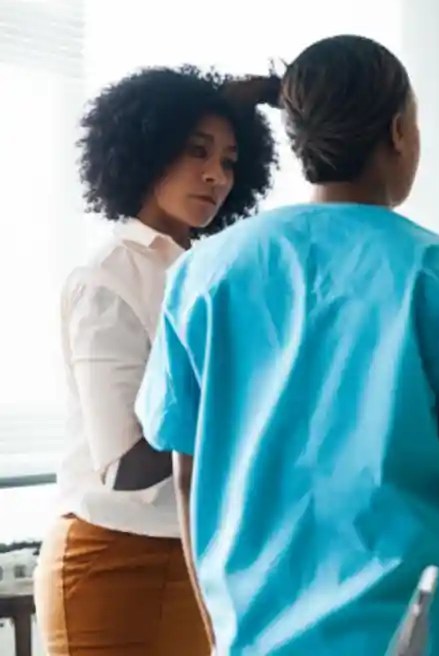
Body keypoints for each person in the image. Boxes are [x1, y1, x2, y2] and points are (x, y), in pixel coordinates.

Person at [134, 34, 439, 655]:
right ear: (398, 131)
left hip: (255, 632)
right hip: (414, 633)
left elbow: (188, 474)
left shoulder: (204, 275)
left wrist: (217, 626)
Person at [32, 66, 276, 656]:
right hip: (112, 560)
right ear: (148, 152)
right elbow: (124, 465)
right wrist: (250, 415)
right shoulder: (110, 277)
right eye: (197, 152)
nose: (216, 175)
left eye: (230, 160)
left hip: (191, 549)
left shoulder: (210, 270)